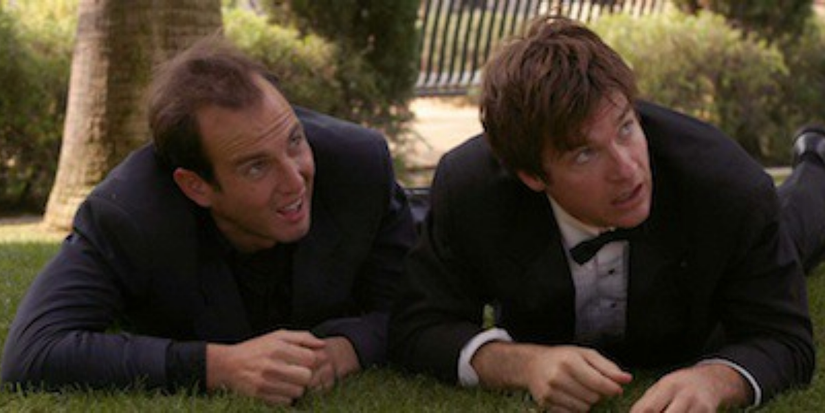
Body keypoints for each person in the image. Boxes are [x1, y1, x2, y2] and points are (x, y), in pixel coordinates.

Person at [390, 16, 822, 411]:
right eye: (585, 154)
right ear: (532, 176)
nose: (627, 169)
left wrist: (716, 380)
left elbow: (785, 339)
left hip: (708, 219)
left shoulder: (726, 187)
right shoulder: (470, 190)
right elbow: (418, 325)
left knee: (794, 226)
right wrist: (522, 364)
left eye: (626, 128)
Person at [1, 36, 415, 405]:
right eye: (256, 167)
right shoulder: (129, 215)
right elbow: (34, 351)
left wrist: (347, 349)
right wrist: (218, 367)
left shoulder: (357, 166)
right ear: (196, 186)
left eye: (294, 140)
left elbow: (416, 308)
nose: (295, 179)